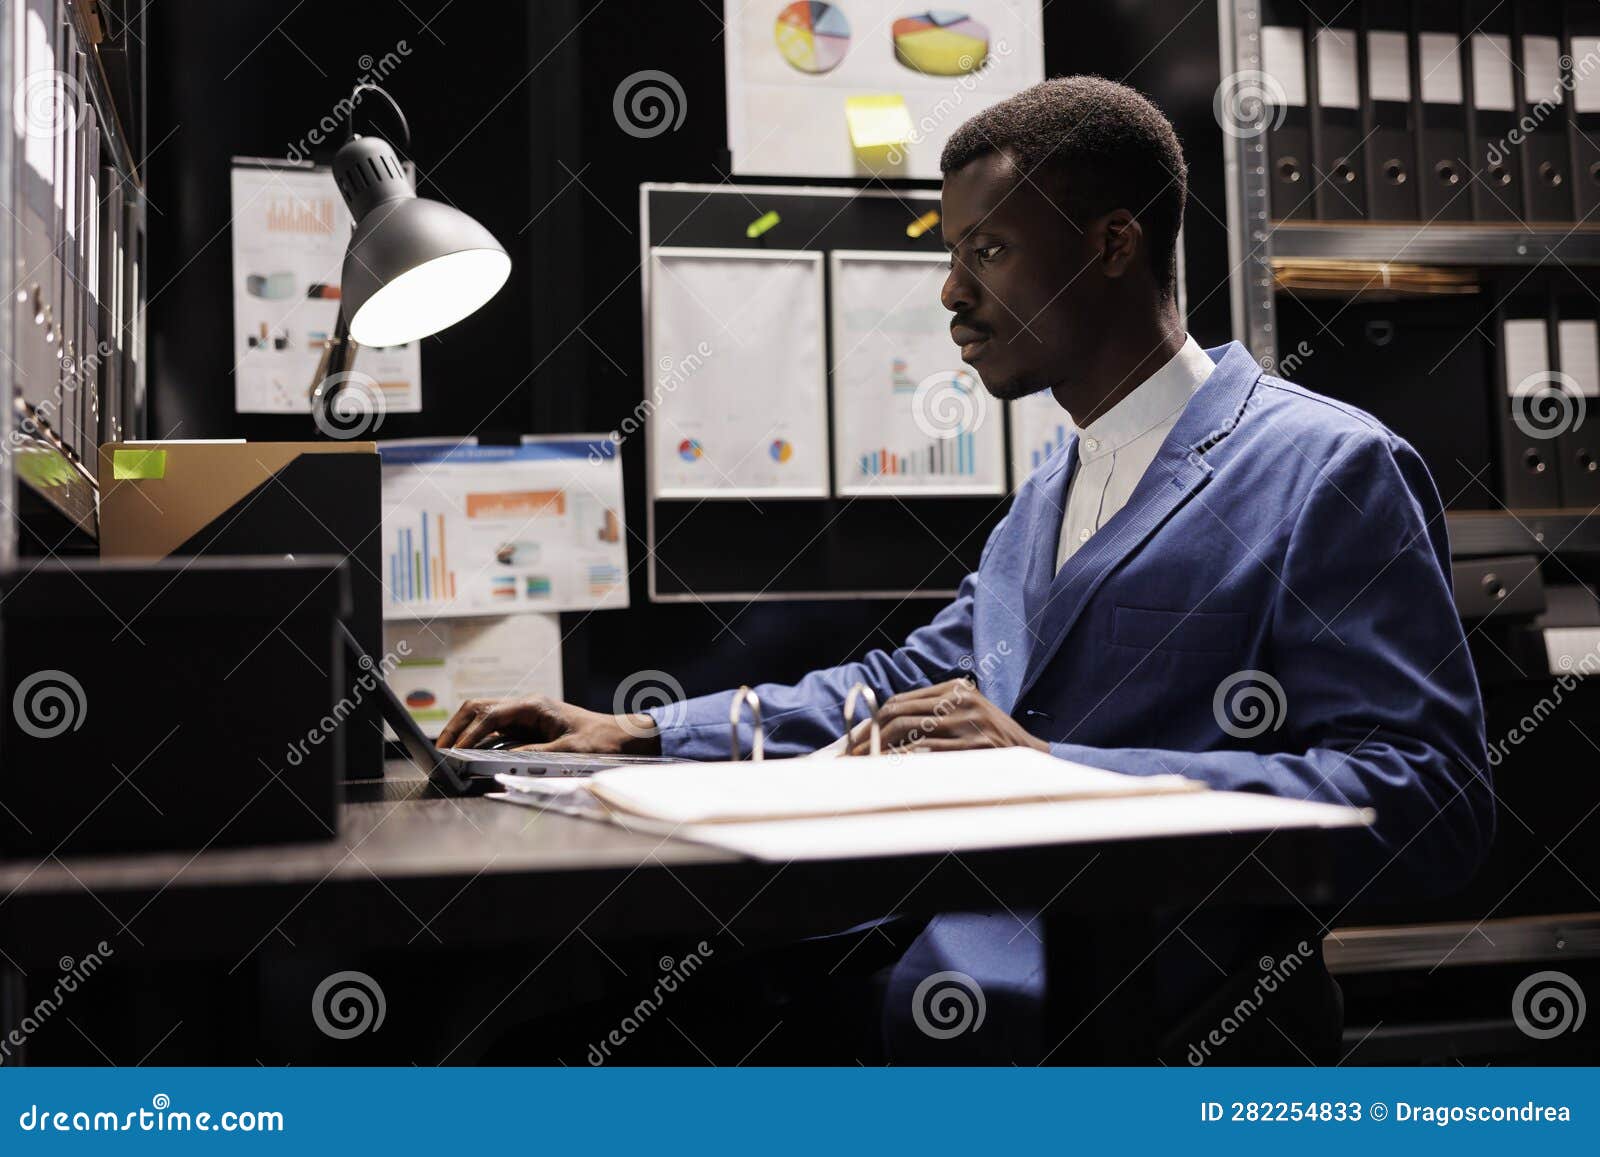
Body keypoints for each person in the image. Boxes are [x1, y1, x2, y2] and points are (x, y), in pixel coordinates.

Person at [439, 76, 1494, 1063]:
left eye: (985, 249)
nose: (949, 290)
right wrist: (644, 730)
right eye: (952, 252)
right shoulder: (1050, 487)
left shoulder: (1326, 468)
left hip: (1150, 1031)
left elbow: (1432, 804)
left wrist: (1060, 776)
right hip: (942, 979)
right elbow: (913, 684)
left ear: (1114, 244)